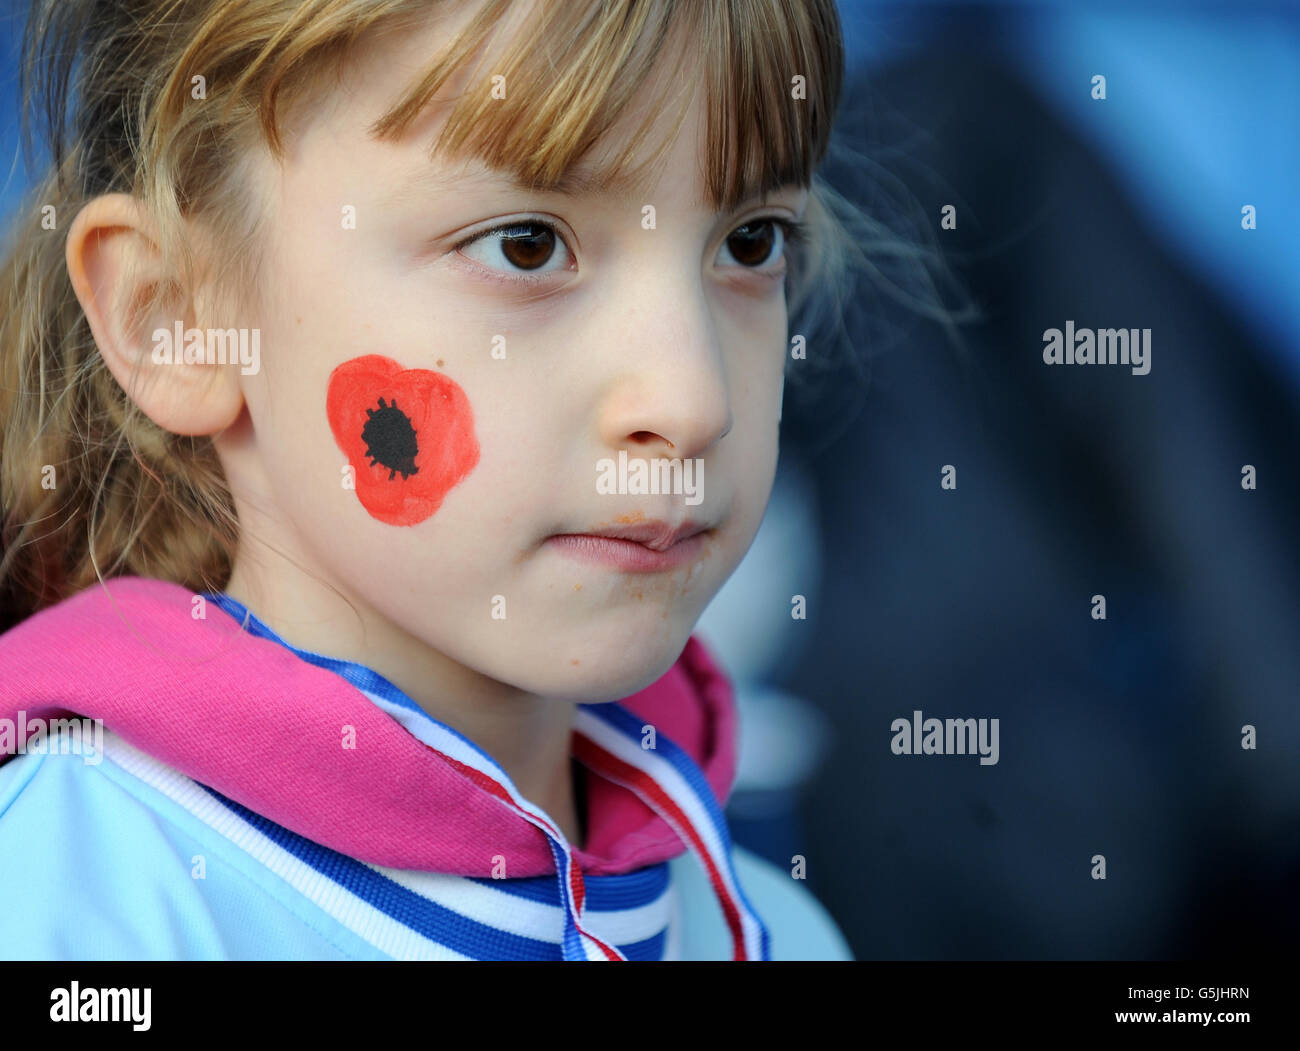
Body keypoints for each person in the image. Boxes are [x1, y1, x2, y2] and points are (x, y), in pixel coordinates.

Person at [0, 0, 855, 961]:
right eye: (525, 243)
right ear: (177, 318)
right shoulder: (72, 908)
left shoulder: (774, 931)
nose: (694, 399)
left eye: (750, 243)